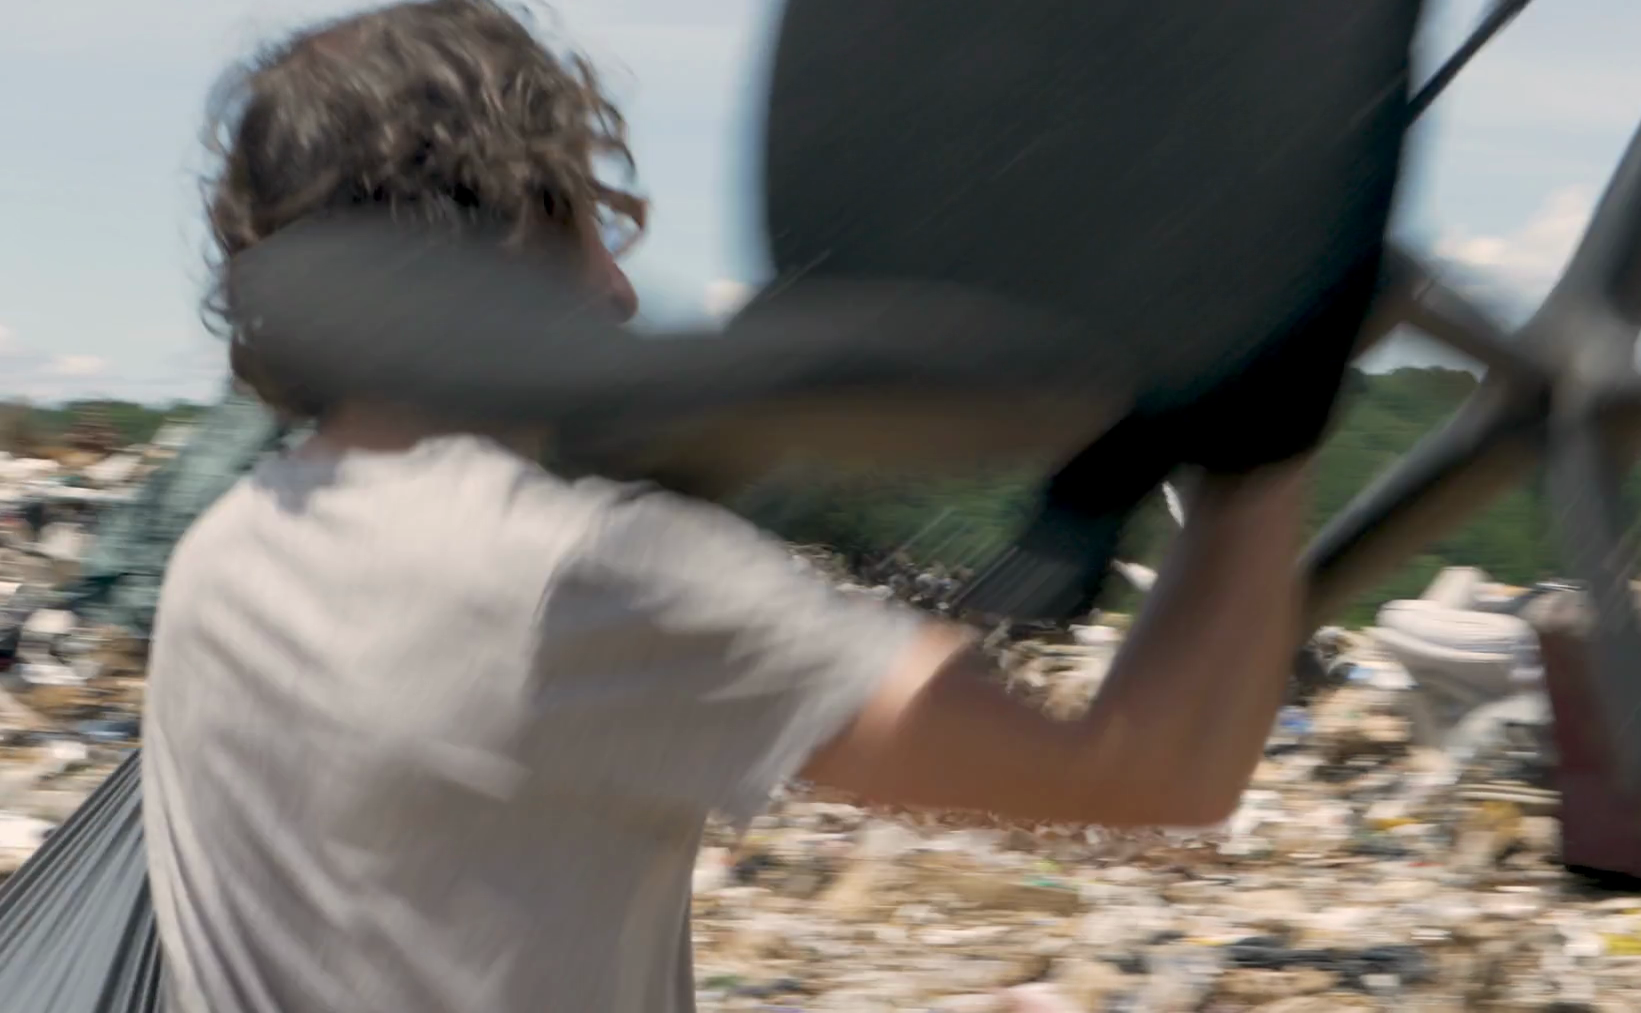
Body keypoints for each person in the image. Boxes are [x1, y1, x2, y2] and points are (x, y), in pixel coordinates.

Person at [144, 2, 1322, 1010]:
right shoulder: (582, 574)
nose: (613, 284)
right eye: (585, 211)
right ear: (520, 219)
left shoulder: (227, 552)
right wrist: (1266, 423)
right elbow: (1148, 773)